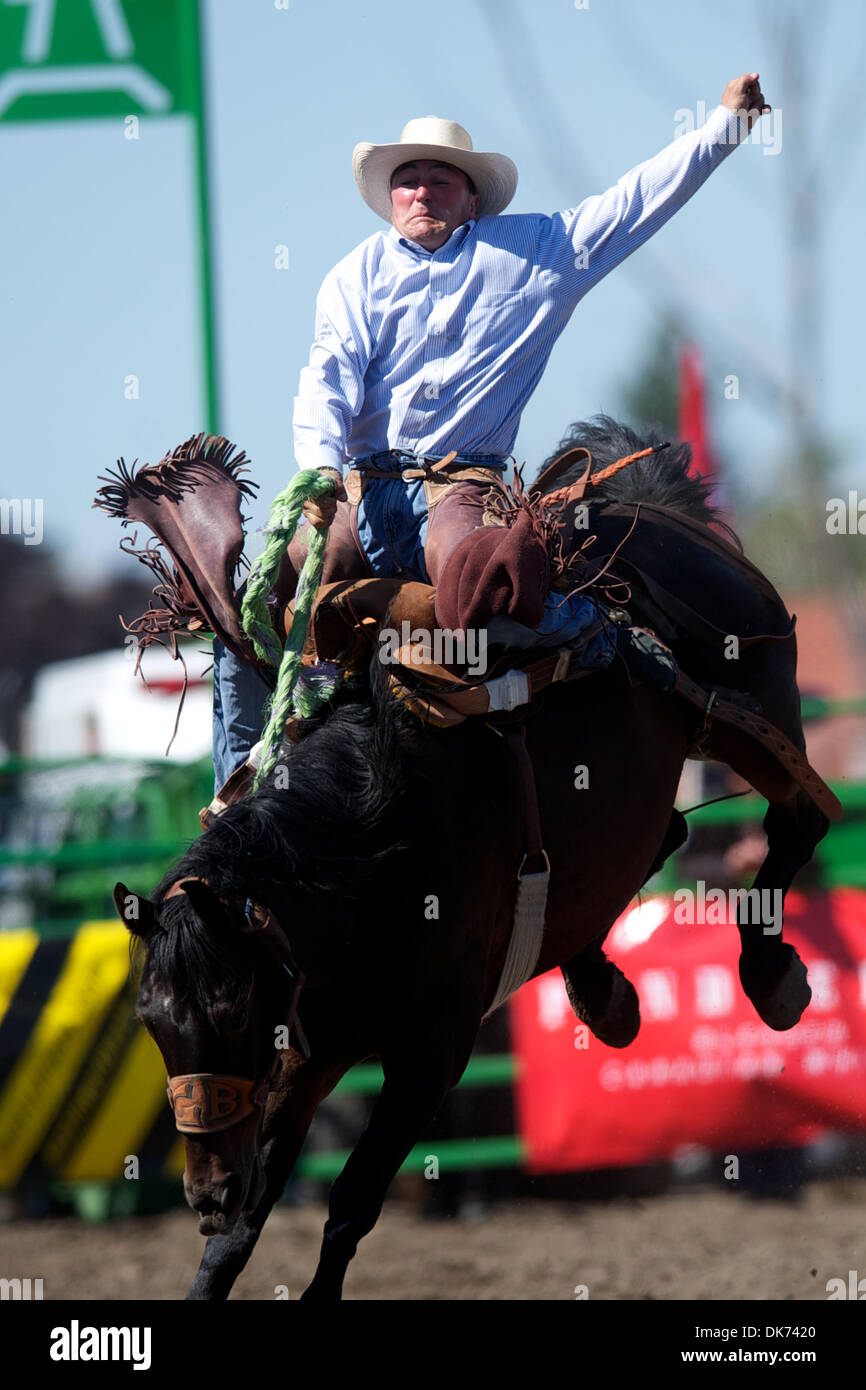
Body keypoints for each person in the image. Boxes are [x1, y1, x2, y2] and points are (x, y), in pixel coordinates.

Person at [212, 74, 770, 791]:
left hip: (459, 485)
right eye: (407, 180)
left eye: (439, 179)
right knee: (254, 600)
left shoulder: (537, 253)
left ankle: (583, 641)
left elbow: (635, 203)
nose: (420, 192)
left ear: (471, 195)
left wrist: (724, 126)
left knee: (477, 585)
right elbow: (329, 376)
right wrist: (320, 472)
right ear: (389, 197)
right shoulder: (353, 278)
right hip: (360, 488)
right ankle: (239, 784)